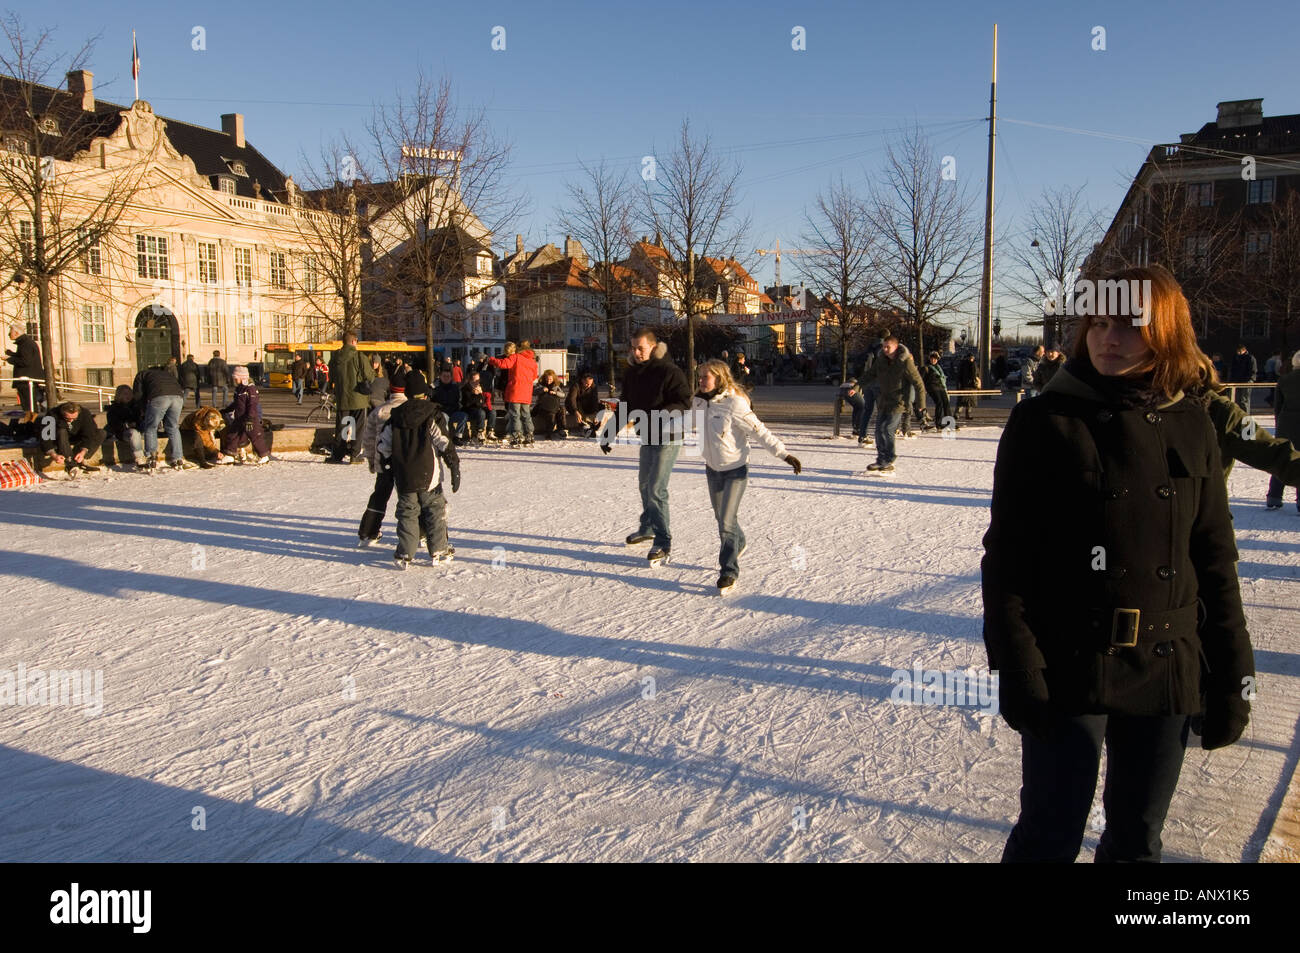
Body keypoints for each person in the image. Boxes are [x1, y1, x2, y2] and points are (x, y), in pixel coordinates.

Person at [982, 264, 1255, 863]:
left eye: (1129, 326)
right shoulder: (1044, 421)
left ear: (1166, 333)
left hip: (1168, 663)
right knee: (1049, 833)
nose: (1108, 338)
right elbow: (1007, 560)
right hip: (1070, 662)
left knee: (1137, 838)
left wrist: (1234, 670)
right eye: (1099, 323)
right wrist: (1019, 664)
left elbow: (1213, 556)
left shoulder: (1193, 421)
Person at [693, 360, 801, 591]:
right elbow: (686, 423)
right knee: (723, 518)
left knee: (726, 522)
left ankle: (729, 571)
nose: (701, 381)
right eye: (700, 377)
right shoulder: (699, 402)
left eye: (705, 377)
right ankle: (739, 541)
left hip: (735, 469)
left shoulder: (735, 404)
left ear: (719, 379)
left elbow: (759, 431)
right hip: (712, 469)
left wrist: (784, 454)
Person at [601, 327, 692, 566]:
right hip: (647, 434)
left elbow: (685, 401)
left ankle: (663, 542)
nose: (636, 352)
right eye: (633, 347)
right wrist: (609, 433)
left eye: (640, 347)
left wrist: (664, 414)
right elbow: (626, 405)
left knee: (655, 488)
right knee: (644, 485)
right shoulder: (632, 373)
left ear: (653, 346)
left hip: (669, 435)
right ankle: (648, 527)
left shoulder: (669, 371)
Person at [377, 369, 461, 568]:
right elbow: (444, 442)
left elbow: (384, 446)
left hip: (404, 474)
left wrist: (387, 466)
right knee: (434, 510)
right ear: (425, 393)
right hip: (428, 473)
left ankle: (405, 552)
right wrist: (454, 465)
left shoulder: (395, 416)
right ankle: (439, 548)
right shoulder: (431, 413)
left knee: (408, 512)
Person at [859, 335, 925, 474]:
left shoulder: (905, 362)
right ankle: (881, 459)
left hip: (898, 402)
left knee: (887, 429)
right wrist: (857, 386)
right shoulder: (881, 360)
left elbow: (918, 383)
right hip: (884, 401)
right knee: (878, 431)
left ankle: (889, 459)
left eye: (888, 346)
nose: (885, 349)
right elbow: (870, 374)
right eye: (884, 346)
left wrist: (921, 403)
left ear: (896, 347)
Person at [357, 369, 408, 546]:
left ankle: (368, 531)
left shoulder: (379, 411)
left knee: (379, 496)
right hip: (407, 463)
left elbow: (369, 439)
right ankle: (418, 533)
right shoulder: (411, 409)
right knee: (411, 499)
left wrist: (371, 460)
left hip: (383, 461)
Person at [325, 332, 374, 464]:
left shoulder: (335, 357)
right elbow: (369, 376)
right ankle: (354, 454)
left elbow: (332, 377)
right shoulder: (359, 356)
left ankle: (338, 454)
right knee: (358, 427)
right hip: (358, 398)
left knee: (343, 426)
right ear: (354, 341)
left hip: (342, 398)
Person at [133, 362, 192, 471]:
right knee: (173, 427)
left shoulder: (142, 374)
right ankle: (177, 458)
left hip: (159, 396)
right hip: (178, 397)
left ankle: (152, 457)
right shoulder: (167, 374)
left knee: (151, 427)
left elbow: (138, 394)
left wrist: (141, 408)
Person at [1266, 350, 1300, 511]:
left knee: (1283, 459)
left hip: (1286, 424)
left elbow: (1278, 406)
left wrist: (1279, 424)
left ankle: (1274, 496)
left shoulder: (1284, 380)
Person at [215, 366, 270, 465]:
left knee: (255, 436)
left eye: (235, 378)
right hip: (239, 418)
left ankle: (264, 456)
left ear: (242, 377)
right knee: (232, 435)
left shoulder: (250, 389)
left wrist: (249, 419)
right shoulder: (239, 389)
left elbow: (252, 405)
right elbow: (236, 403)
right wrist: (226, 410)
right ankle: (230, 456)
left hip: (250, 418)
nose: (234, 380)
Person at [489, 340, 539, 447]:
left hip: (515, 390)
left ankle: (517, 436)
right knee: (526, 414)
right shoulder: (532, 361)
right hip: (526, 391)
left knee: (515, 415)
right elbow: (534, 376)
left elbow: (503, 364)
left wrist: (491, 360)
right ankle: (529, 435)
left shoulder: (515, 357)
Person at [39, 401, 103, 475]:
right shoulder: (51, 415)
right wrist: (54, 455)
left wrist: (83, 452)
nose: (71, 420)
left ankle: (78, 460)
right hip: (59, 439)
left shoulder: (85, 413)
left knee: (101, 433)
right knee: (62, 431)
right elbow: (45, 438)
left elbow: (89, 434)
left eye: (74, 419)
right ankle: (71, 464)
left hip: (77, 437)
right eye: (67, 418)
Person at [103, 384, 147, 470]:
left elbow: (140, 420)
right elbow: (113, 425)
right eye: (125, 394)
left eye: (130, 393)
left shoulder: (136, 406)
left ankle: (151, 456)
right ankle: (139, 458)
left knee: (148, 431)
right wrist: (127, 425)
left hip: (138, 430)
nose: (128, 396)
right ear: (119, 395)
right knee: (133, 433)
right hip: (122, 433)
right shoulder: (114, 408)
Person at [5, 322, 43, 412]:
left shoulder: (26, 344)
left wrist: (9, 359)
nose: (9, 335)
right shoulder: (25, 343)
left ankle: (31, 423)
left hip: (26, 380)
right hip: (26, 379)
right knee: (28, 405)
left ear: (17, 333)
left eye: (10, 332)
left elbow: (25, 361)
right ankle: (30, 422)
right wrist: (11, 354)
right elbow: (23, 357)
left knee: (29, 406)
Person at [431, 365, 469, 444]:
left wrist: (458, 406)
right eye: (444, 376)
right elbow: (432, 401)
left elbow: (459, 400)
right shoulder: (436, 388)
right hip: (441, 412)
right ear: (440, 376)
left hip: (453, 411)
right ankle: (445, 437)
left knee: (463, 415)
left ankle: (457, 437)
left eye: (448, 376)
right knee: (444, 416)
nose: (446, 378)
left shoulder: (455, 388)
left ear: (451, 377)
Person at [566, 371, 605, 437]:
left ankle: (594, 425)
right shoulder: (576, 385)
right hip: (573, 405)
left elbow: (594, 400)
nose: (588, 385)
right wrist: (575, 411)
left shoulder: (593, 387)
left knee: (602, 406)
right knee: (578, 405)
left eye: (590, 384)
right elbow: (572, 399)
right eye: (587, 384)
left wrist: (596, 414)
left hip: (586, 404)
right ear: (582, 381)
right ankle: (584, 427)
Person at [533, 369, 567, 438]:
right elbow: (533, 392)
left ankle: (562, 428)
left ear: (553, 378)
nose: (548, 381)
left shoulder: (557, 385)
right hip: (543, 406)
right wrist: (541, 390)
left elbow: (563, 395)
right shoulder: (540, 384)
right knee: (551, 414)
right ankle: (549, 432)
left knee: (562, 410)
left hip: (555, 405)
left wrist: (556, 393)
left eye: (550, 379)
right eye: (547, 379)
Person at [922, 352, 952, 430]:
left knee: (946, 403)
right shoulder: (927, 367)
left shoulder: (938, 367)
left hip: (941, 387)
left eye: (935, 359)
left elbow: (942, 378)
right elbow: (922, 379)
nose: (933, 360)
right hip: (932, 387)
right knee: (939, 403)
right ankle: (939, 423)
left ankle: (949, 423)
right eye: (932, 358)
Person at [838, 377, 872, 445]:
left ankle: (855, 429)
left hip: (843, 388)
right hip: (851, 388)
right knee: (863, 407)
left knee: (857, 408)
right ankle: (859, 429)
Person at [460, 370, 490, 443]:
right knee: (481, 413)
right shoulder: (465, 389)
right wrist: (476, 395)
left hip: (478, 408)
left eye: (478, 380)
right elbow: (467, 403)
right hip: (469, 410)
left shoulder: (479, 387)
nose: (476, 382)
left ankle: (490, 431)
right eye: (474, 380)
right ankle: (480, 432)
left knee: (492, 412)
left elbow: (482, 402)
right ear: (470, 380)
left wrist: (480, 394)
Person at [1229, 344, 1257, 413]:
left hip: (1246, 381)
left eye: (1239, 351)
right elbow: (1233, 370)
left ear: (1243, 350)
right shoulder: (1236, 357)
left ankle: (1246, 415)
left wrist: (1250, 379)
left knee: (1244, 400)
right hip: (1237, 380)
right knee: (1238, 400)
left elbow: (1253, 370)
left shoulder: (1250, 358)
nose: (1238, 353)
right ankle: (1240, 414)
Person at [956, 354, 980, 421]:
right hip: (967, 385)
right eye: (971, 358)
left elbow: (976, 375)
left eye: (972, 358)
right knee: (963, 401)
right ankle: (958, 414)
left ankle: (965, 414)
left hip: (970, 385)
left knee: (968, 401)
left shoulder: (969, 364)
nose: (971, 359)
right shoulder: (967, 365)